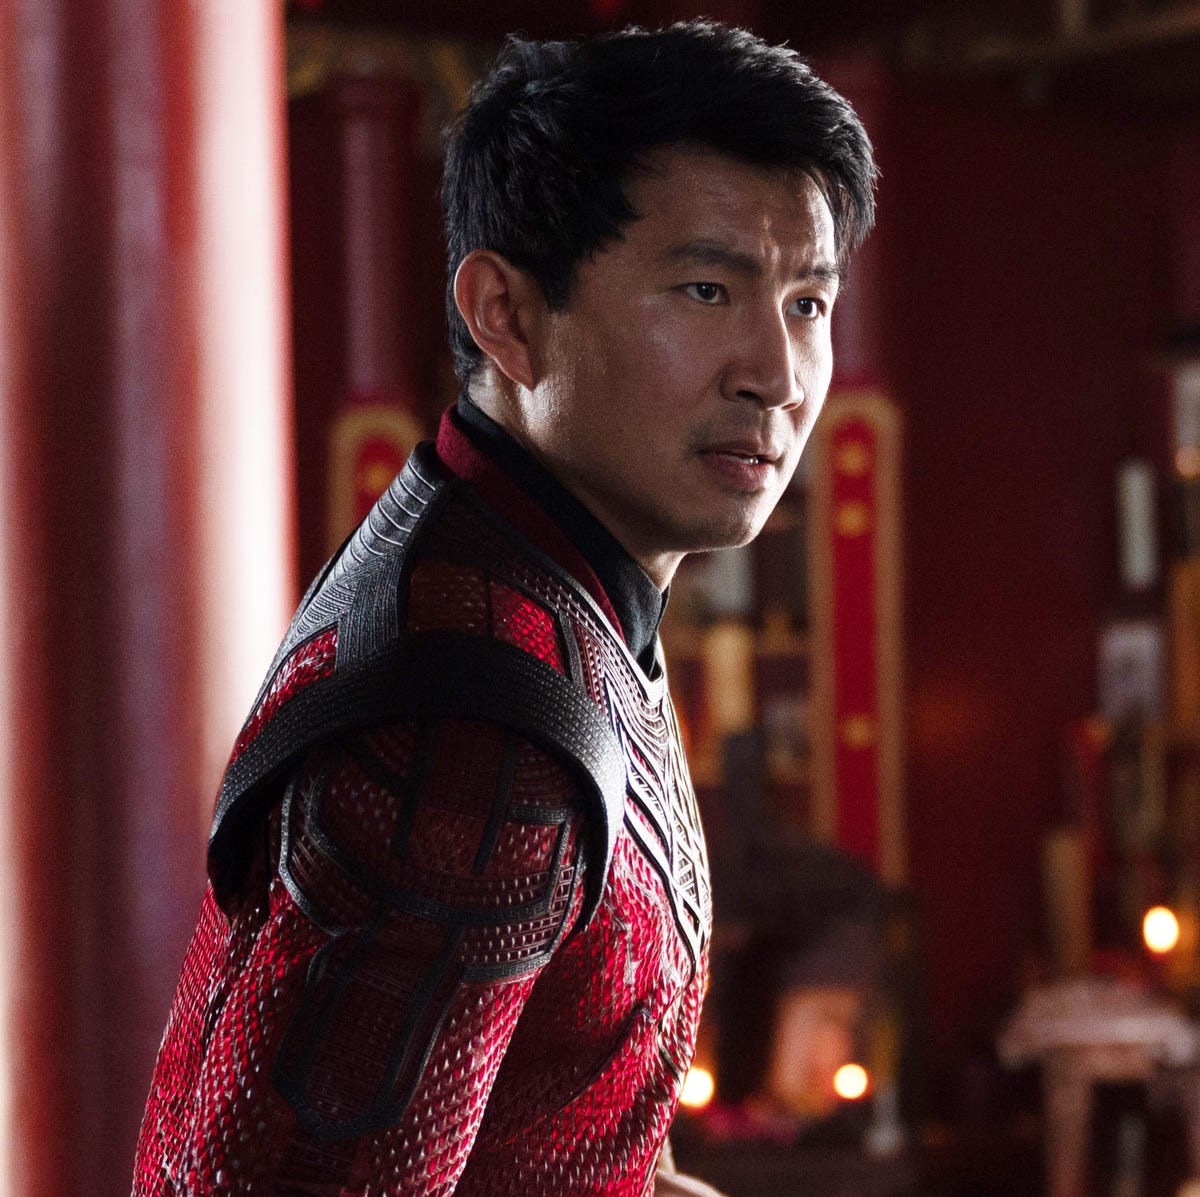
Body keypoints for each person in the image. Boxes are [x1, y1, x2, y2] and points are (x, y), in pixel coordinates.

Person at [131, 19, 875, 1197]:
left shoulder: (548, 583)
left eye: (808, 305)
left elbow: (576, 1154)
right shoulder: (472, 719)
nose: (776, 376)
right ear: (507, 315)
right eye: (706, 288)